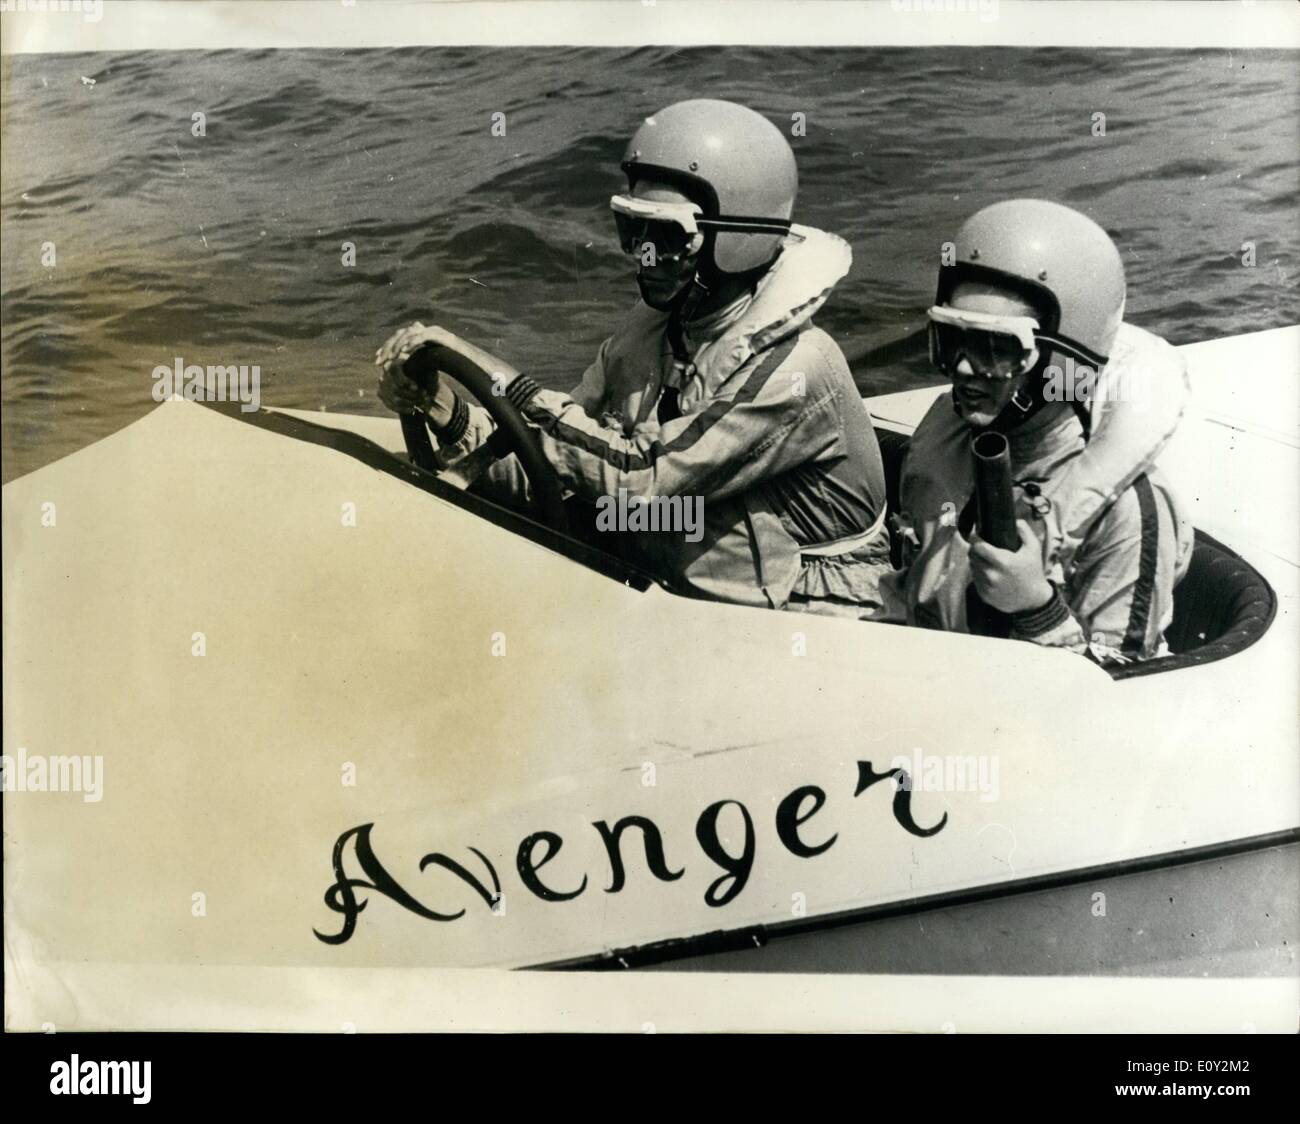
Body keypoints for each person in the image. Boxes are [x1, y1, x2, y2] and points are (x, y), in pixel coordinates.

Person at [377, 99, 892, 615]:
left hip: (815, 607)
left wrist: (492, 372)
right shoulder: (649, 336)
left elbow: (639, 484)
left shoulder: (795, 367)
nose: (644, 256)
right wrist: (442, 409)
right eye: (632, 230)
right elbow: (556, 461)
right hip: (678, 580)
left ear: (736, 240)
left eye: (667, 237)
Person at [878, 199, 1194, 663]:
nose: (964, 368)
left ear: (1059, 361)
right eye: (952, 340)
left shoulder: (1129, 512)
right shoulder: (942, 434)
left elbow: (1124, 697)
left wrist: (1036, 607)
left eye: (995, 349)